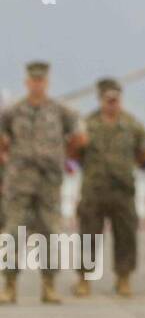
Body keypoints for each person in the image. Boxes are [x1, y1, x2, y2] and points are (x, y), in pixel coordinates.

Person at [0, 61, 86, 304]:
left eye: (41, 81)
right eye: (33, 81)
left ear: (46, 83)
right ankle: (9, 286)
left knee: (50, 233)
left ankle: (49, 286)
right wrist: (9, 159)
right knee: (13, 233)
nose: (37, 85)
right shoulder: (13, 111)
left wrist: (61, 156)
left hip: (49, 183)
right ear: (27, 83)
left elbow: (79, 137)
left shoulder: (60, 111)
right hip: (20, 182)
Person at [71, 78, 145, 297]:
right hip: (94, 190)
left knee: (126, 235)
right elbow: (73, 152)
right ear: (100, 100)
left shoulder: (132, 124)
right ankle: (84, 279)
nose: (112, 104)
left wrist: (125, 167)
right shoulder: (86, 124)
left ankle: (123, 278)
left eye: (115, 100)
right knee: (89, 235)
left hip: (122, 190)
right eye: (108, 100)